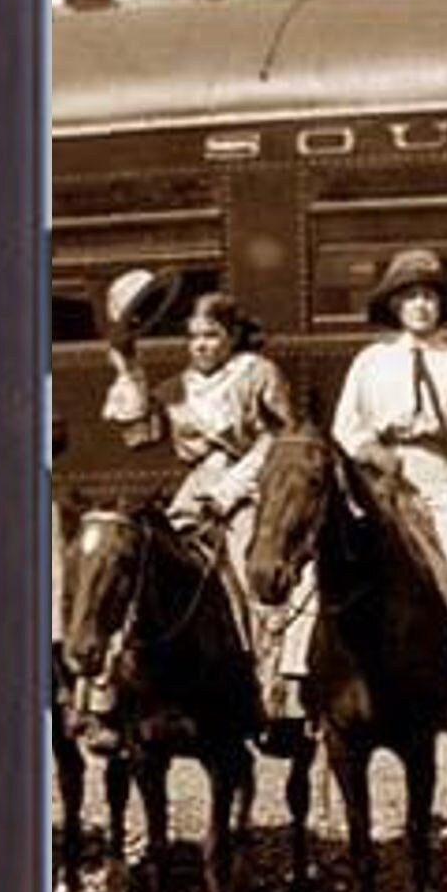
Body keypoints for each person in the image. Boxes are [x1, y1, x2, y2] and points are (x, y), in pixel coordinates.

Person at [99, 269, 312, 732]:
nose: (201, 346)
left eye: (211, 336)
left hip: (251, 485)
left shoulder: (257, 373)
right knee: (145, 569)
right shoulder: (177, 387)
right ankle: (109, 689)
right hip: (195, 489)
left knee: (258, 575)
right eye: (193, 337)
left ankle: (272, 690)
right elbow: (139, 434)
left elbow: (279, 438)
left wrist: (231, 490)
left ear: (232, 335)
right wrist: (126, 364)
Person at [329, 246, 447, 616]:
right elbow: (345, 427)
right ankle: (296, 663)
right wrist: (372, 453)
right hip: (378, 481)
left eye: (429, 297)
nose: (421, 305)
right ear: (396, 306)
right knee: (334, 563)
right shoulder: (371, 361)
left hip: (438, 478)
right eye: (411, 297)